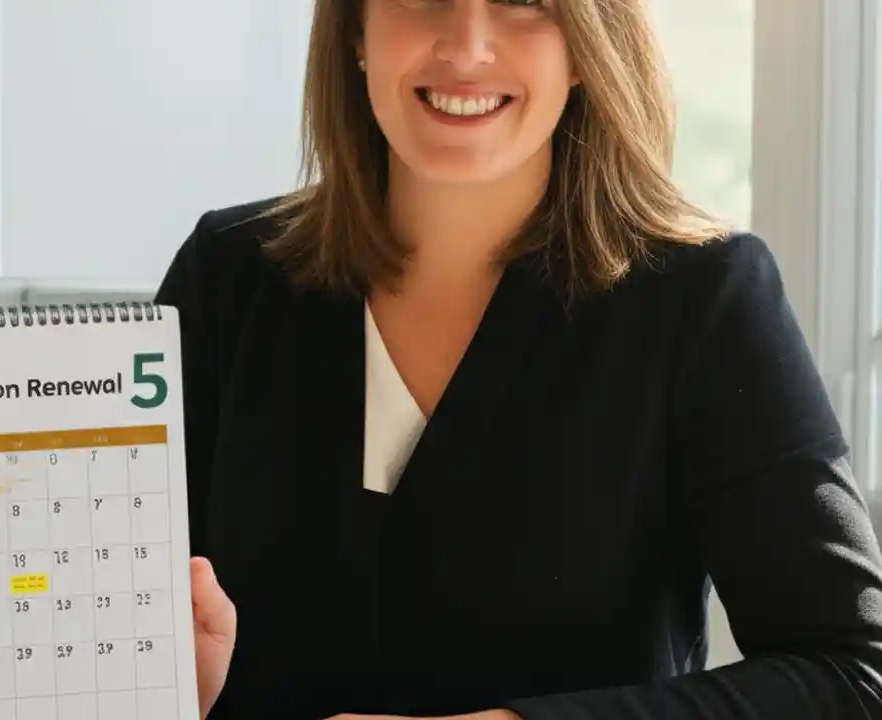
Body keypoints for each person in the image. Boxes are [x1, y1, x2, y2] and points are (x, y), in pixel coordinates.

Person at [154, 0, 882, 718]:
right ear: (355, 30)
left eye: (525, 2)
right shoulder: (226, 279)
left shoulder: (704, 299)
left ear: (587, 44)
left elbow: (849, 675)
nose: (467, 45)